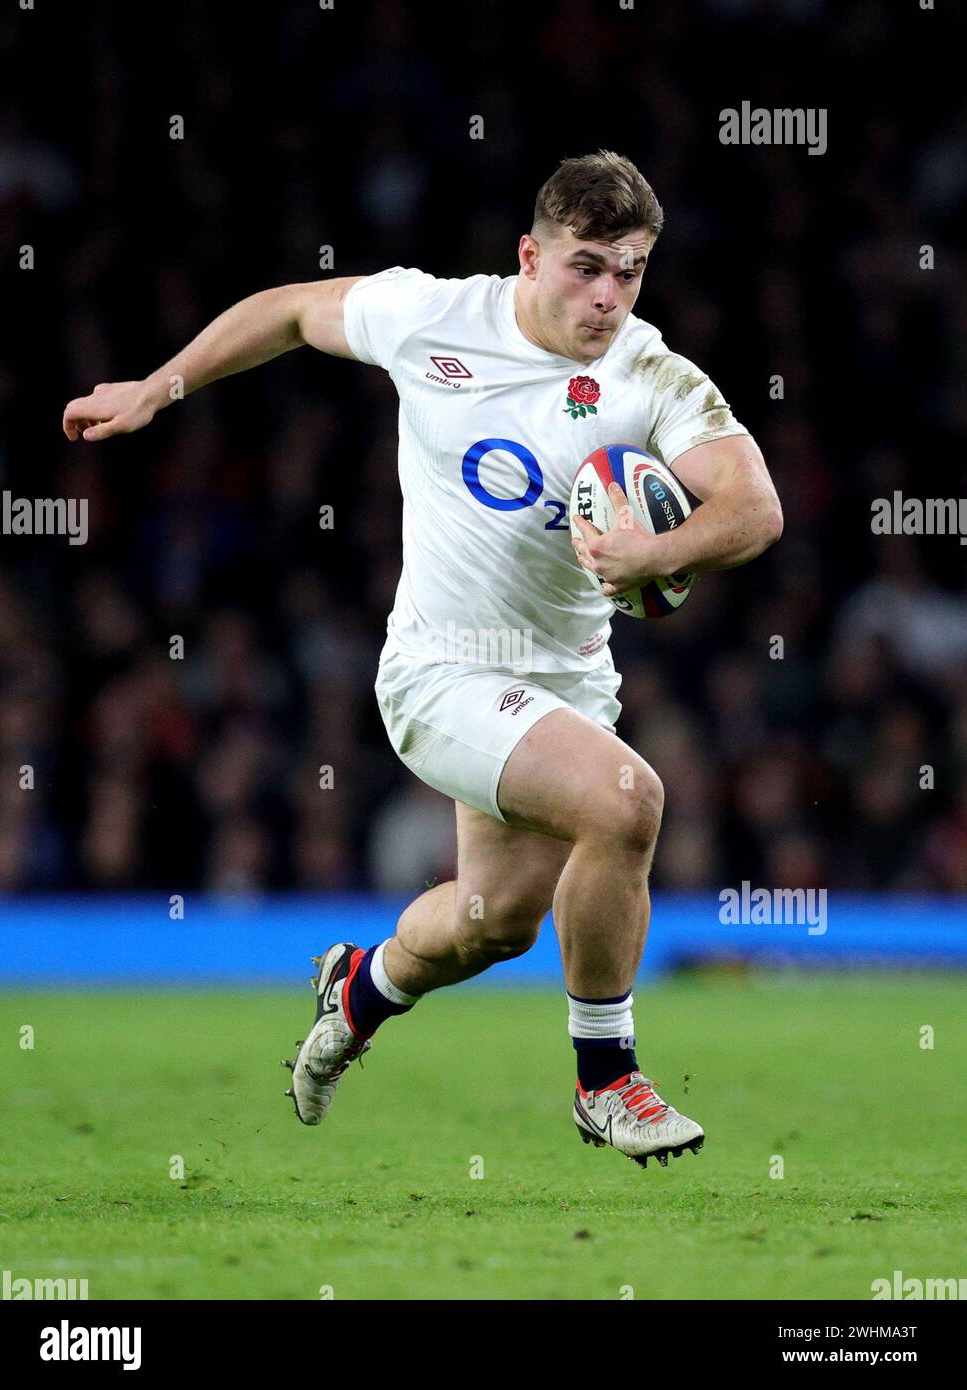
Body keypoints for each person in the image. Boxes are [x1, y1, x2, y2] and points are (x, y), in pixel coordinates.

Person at [63, 150, 782, 1169]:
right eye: (585, 266)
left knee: (492, 926)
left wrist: (654, 554)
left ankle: (355, 988)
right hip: (439, 676)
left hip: (564, 685)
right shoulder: (431, 315)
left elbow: (754, 507)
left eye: (627, 270)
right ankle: (604, 1080)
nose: (607, 294)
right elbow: (283, 310)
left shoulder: (648, 374)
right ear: (529, 256)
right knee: (627, 799)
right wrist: (158, 385)